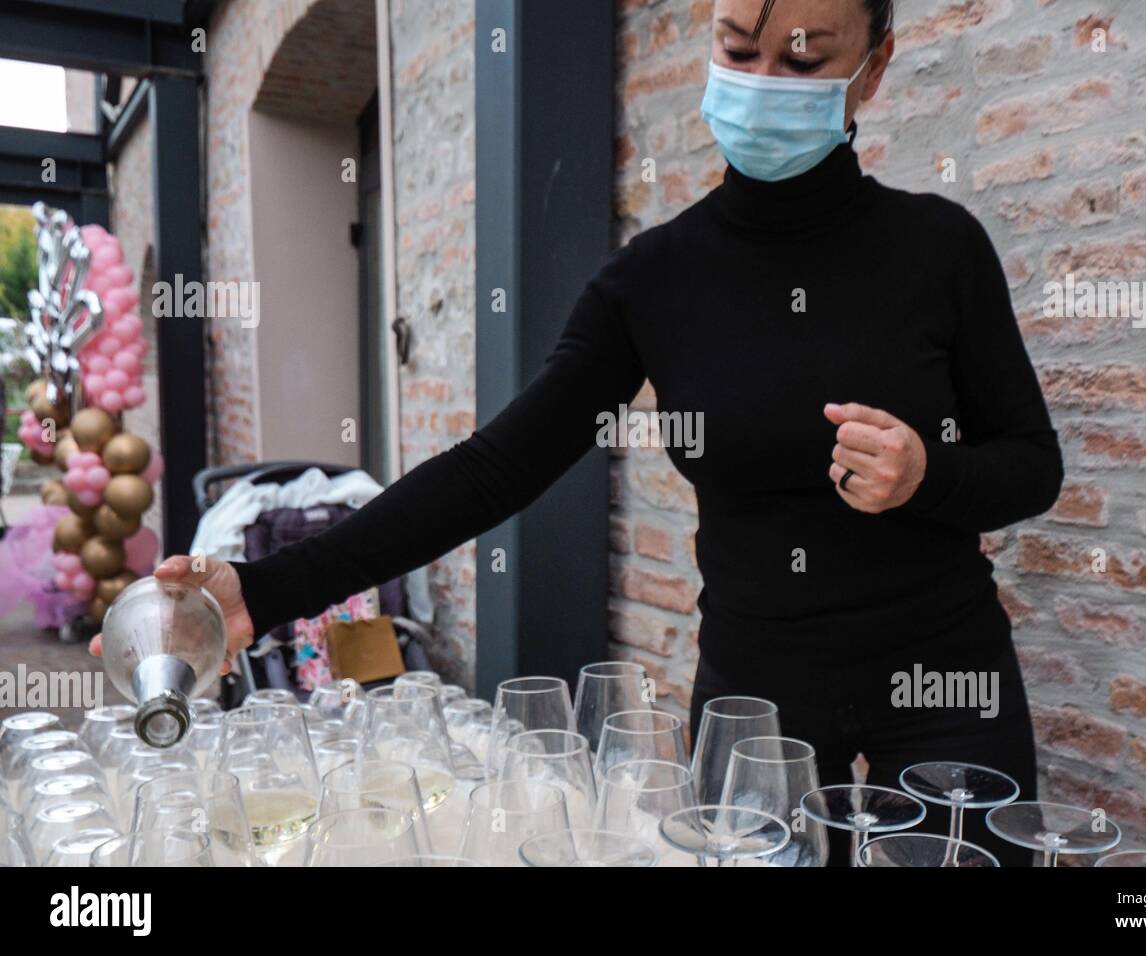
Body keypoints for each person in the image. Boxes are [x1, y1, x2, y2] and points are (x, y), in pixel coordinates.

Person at [93, 0, 1062, 865]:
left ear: (874, 69)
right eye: (739, 48)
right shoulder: (655, 277)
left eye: (806, 63)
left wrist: (928, 475)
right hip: (759, 691)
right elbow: (496, 467)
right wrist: (262, 587)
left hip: (944, 673)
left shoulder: (937, 246)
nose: (765, 83)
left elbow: (1031, 465)